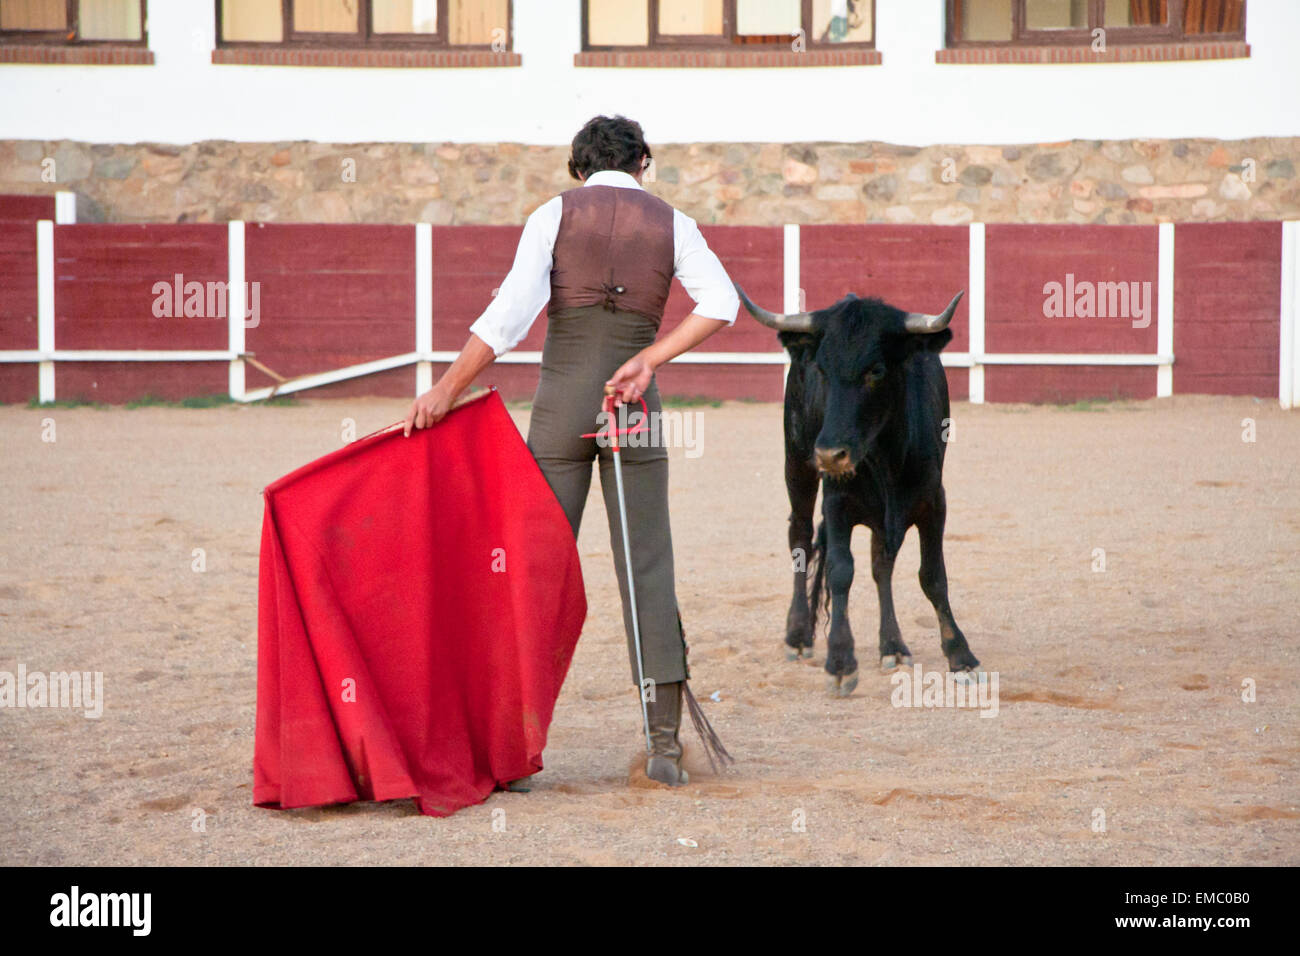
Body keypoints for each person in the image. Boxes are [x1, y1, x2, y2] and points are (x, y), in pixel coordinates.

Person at [403, 114, 738, 786]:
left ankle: (513, 751)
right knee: (648, 565)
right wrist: (648, 357)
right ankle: (665, 745)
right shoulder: (674, 222)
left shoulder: (553, 214)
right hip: (634, 407)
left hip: (560, 411)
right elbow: (722, 303)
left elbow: (506, 321)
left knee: (530, 573)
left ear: (577, 167)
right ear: (643, 161)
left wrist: (442, 392)